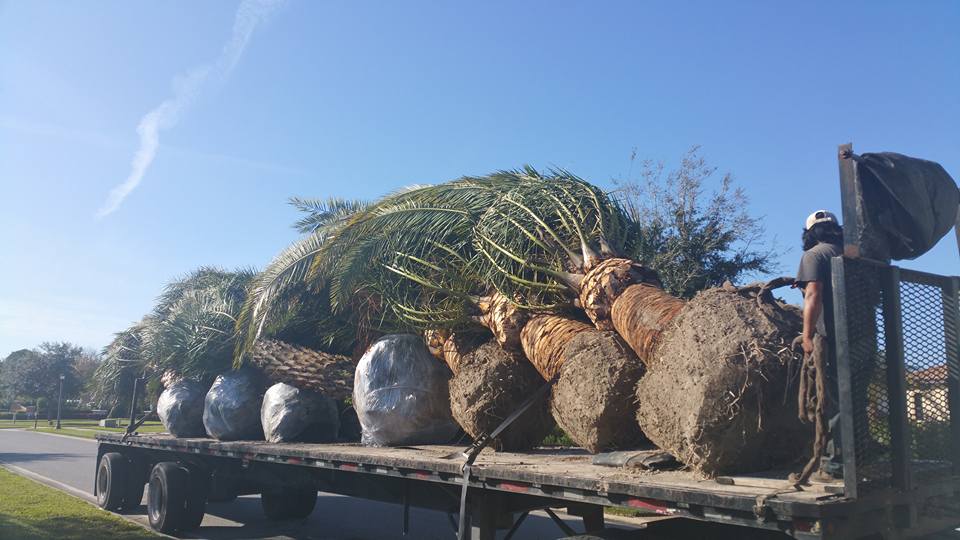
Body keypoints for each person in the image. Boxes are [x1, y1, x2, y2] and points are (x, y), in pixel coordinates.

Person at [795, 210, 844, 479]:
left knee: (834, 399)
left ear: (809, 233)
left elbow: (813, 294)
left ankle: (836, 466)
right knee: (857, 398)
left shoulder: (814, 255)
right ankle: (860, 457)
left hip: (833, 338)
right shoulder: (853, 254)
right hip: (865, 336)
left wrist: (806, 336)